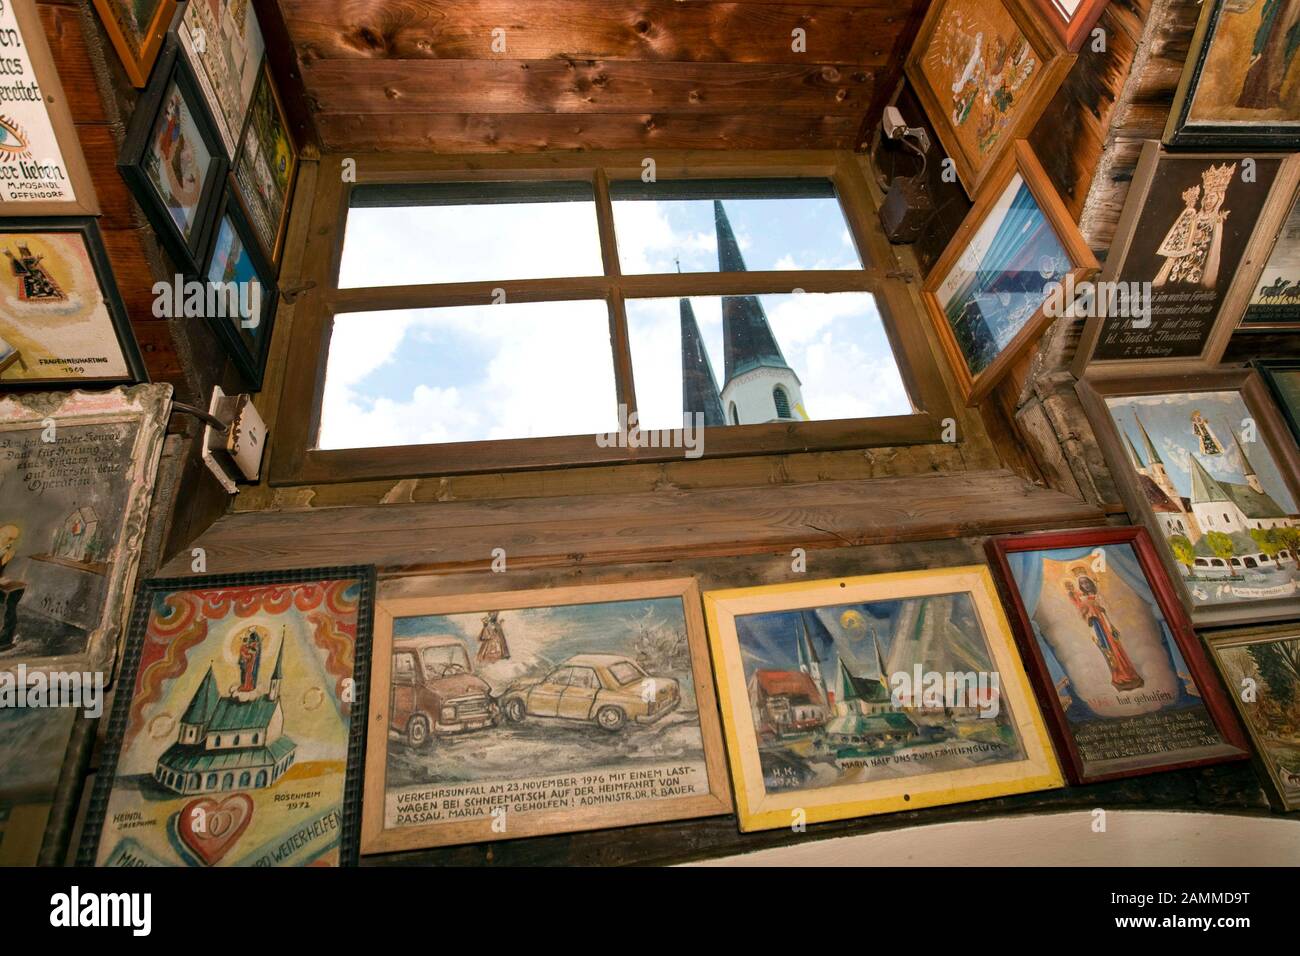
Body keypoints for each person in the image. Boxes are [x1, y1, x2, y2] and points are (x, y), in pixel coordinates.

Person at [1064, 567, 1144, 692]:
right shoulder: (1082, 598)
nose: (1085, 585)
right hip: (1097, 627)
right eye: (1082, 583)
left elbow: (1106, 609)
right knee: (1108, 651)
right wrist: (1088, 613)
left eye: (1087, 582)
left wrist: (1102, 612)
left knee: (1118, 650)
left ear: (1090, 582)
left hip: (1107, 626)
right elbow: (1080, 610)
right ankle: (1118, 677)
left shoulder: (1098, 596)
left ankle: (1130, 675)